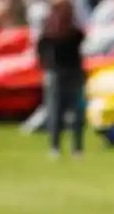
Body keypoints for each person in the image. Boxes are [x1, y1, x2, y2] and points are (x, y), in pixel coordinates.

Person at [37, 0, 85, 156]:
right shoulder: (53, 34)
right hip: (59, 74)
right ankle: (57, 146)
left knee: (73, 113)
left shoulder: (53, 33)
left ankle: (73, 147)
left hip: (67, 73)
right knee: (57, 112)